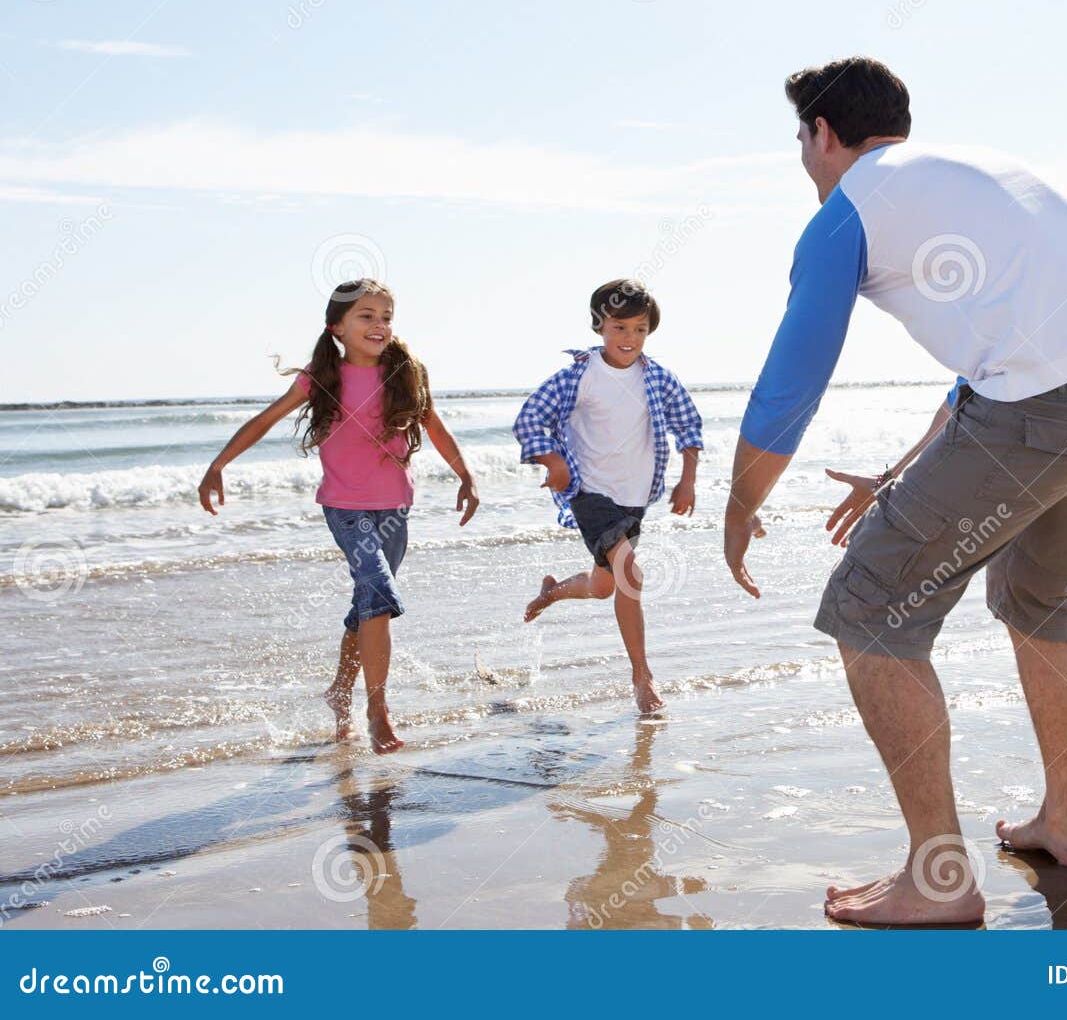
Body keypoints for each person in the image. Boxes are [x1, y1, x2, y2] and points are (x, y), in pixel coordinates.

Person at [723, 57, 1067, 925]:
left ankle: (938, 881)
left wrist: (740, 508)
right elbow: (1006, 355)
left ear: (823, 134)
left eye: (801, 140)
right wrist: (902, 472)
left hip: (1058, 403)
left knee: (871, 604)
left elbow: (794, 378)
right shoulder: (975, 172)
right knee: (1036, 595)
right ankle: (1066, 820)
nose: (806, 162)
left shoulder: (847, 209)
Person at [198, 278, 480, 754]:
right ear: (337, 327)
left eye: (386, 316)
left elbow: (435, 427)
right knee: (379, 593)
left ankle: (338, 692)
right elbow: (266, 419)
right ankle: (378, 709)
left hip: (395, 510)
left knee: (366, 609)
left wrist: (466, 475)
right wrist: (218, 464)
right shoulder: (320, 378)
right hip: (345, 509)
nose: (379, 325)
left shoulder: (406, 371)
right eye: (366, 316)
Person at [515, 279, 703, 715]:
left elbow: (689, 426)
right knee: (630, 573)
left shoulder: (657, 377)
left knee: (604, 587)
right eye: (620, 327)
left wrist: (688, 478)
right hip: (590, 493)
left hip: (635, 498)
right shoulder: (578, 377)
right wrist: (553, 462)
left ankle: (552, 592)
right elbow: (529, 420)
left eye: (639, 329)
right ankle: (643, 678)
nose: (629, 338)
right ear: (600, 325)